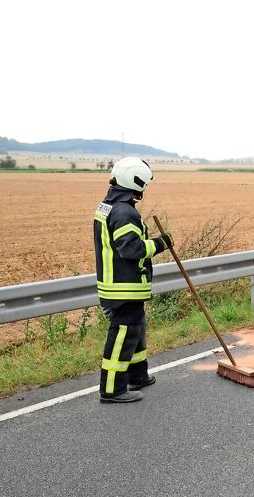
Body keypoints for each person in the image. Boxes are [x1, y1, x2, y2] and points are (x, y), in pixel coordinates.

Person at [94, 157, 173, 403]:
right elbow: (130, 249)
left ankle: (137, 375)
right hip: (122, 286)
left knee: (136, 330)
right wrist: (161, 243)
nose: (144, 189)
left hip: (119, 284)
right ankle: (112, 389)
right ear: (135, 181)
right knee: (123, 334)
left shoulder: (109, 206)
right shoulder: (124, 212)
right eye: (143, 184)